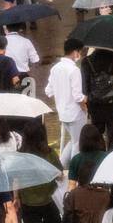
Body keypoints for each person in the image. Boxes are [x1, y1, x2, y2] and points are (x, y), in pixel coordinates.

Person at [17, 118, 62, 223]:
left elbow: (16, 178)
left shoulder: (20, 156)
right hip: (49, 199)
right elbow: (59, 174)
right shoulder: (50, 153)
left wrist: (15, 197)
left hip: (28, 202)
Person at [46, 38, 86, 167]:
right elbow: (78, 96)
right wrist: (85, 104)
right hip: (75, 113)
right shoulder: (74, 70)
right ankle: (74, 171)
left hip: (62, 112)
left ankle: (60, 166)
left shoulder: (55, 68)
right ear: (75, 52)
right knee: (78, 143)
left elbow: (48, 91)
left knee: (73, 141)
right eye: (80, 52)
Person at [81, 45, 113, 148]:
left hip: (95, 105)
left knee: (97, 137)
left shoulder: (86, 61)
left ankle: (100, 161)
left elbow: (85, 89)